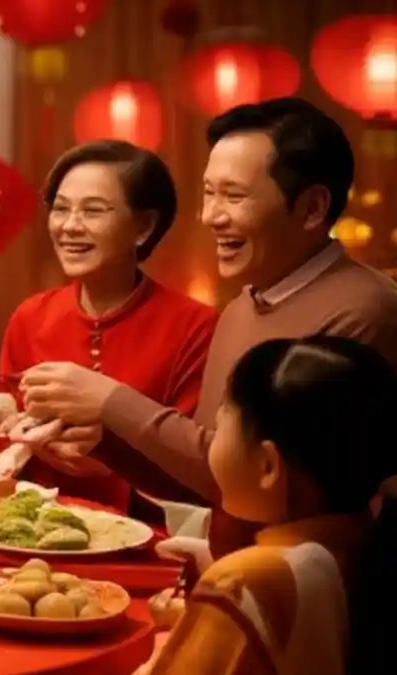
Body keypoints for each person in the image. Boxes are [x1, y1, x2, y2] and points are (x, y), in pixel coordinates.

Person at [20, 97, 397, 558]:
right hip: (231, 575)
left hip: (296, 594)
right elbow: (206, 475)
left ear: (312, 207)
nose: (210, 217)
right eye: (209, 193)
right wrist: (102, 444)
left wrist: (109, 399)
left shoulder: (363, 312)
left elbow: (263, 487)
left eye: (233, 196)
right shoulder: (245, 304)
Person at [121, 336, 396, 675]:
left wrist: (150, 667)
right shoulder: (365, 540)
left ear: (268, 466)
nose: (215, 440)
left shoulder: (246, 582)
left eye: (221, 426)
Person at [0, 140, 216, 513]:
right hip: (32, 529)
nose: (69, 226)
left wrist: (111, 460)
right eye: (60, 209)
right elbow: (0, 441)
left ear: (144, 226)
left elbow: (198, 464)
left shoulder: (195, 327)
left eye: (93, 211)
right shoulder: (30, 317)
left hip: (150, 535)